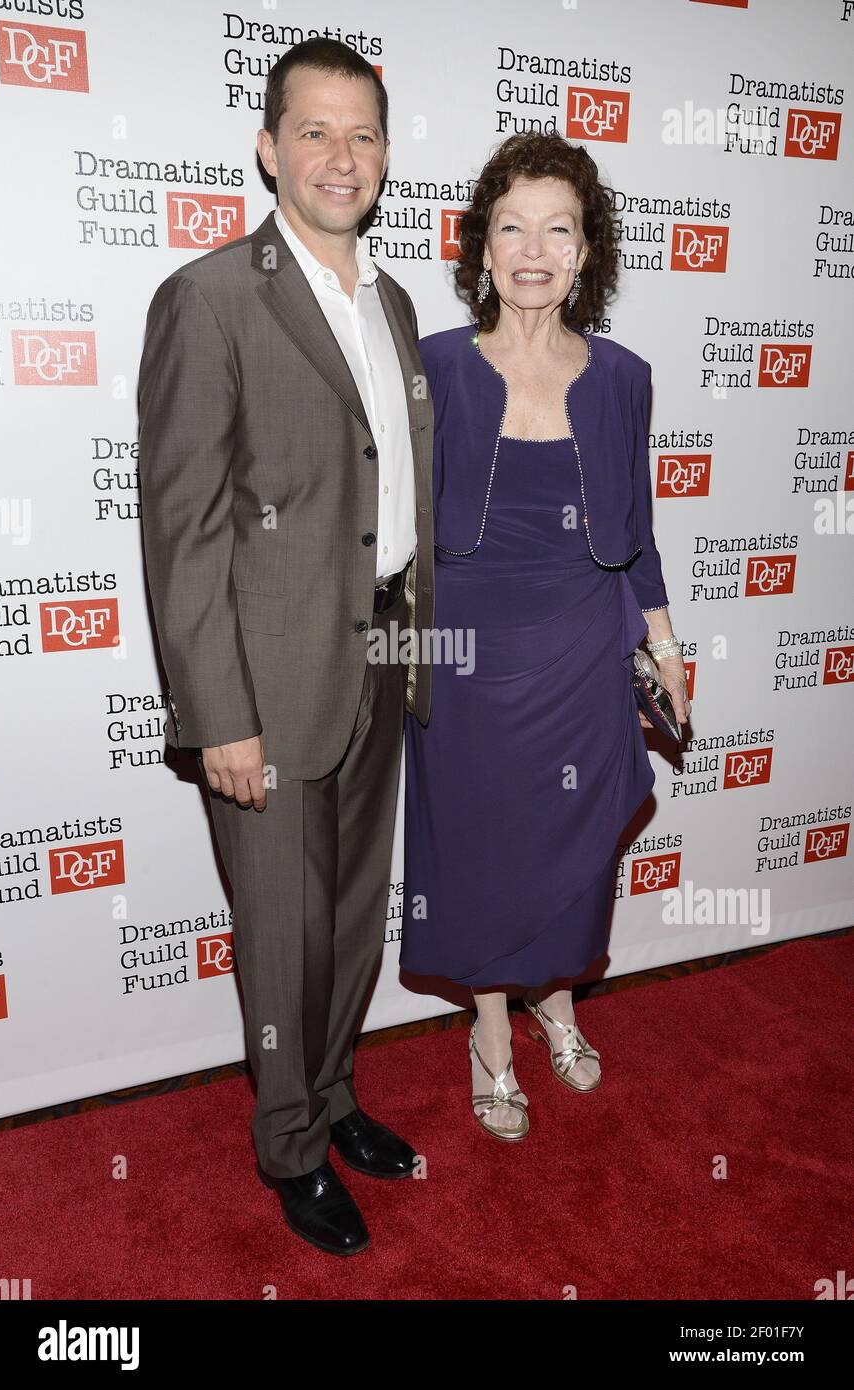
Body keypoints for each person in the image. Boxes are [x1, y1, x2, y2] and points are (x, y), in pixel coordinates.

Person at [137, 38, 435, 1254]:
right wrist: (220, 714)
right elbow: (183, 527)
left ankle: (335, 1095)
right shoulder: (209, 299)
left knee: (355, 917)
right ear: (268, 147)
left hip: (377, 654)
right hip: (265, 680)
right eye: (313, 130)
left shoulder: (394, 301)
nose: (340, 155)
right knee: (282, 930)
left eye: (361, 133)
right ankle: (289, 1147)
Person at [400, 132, 691, 1141]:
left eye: (555, 229)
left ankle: (554, 1003)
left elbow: (636, 528)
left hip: (578, 650)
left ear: (583, 251)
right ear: (481, 247)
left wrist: (660, 641)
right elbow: (391, 527)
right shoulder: (431, 366)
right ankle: (488, 1032)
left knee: (570, 847)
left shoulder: (621, 377)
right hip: (468, 657)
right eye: (510, 227)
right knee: (479, 847)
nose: (532, 249)